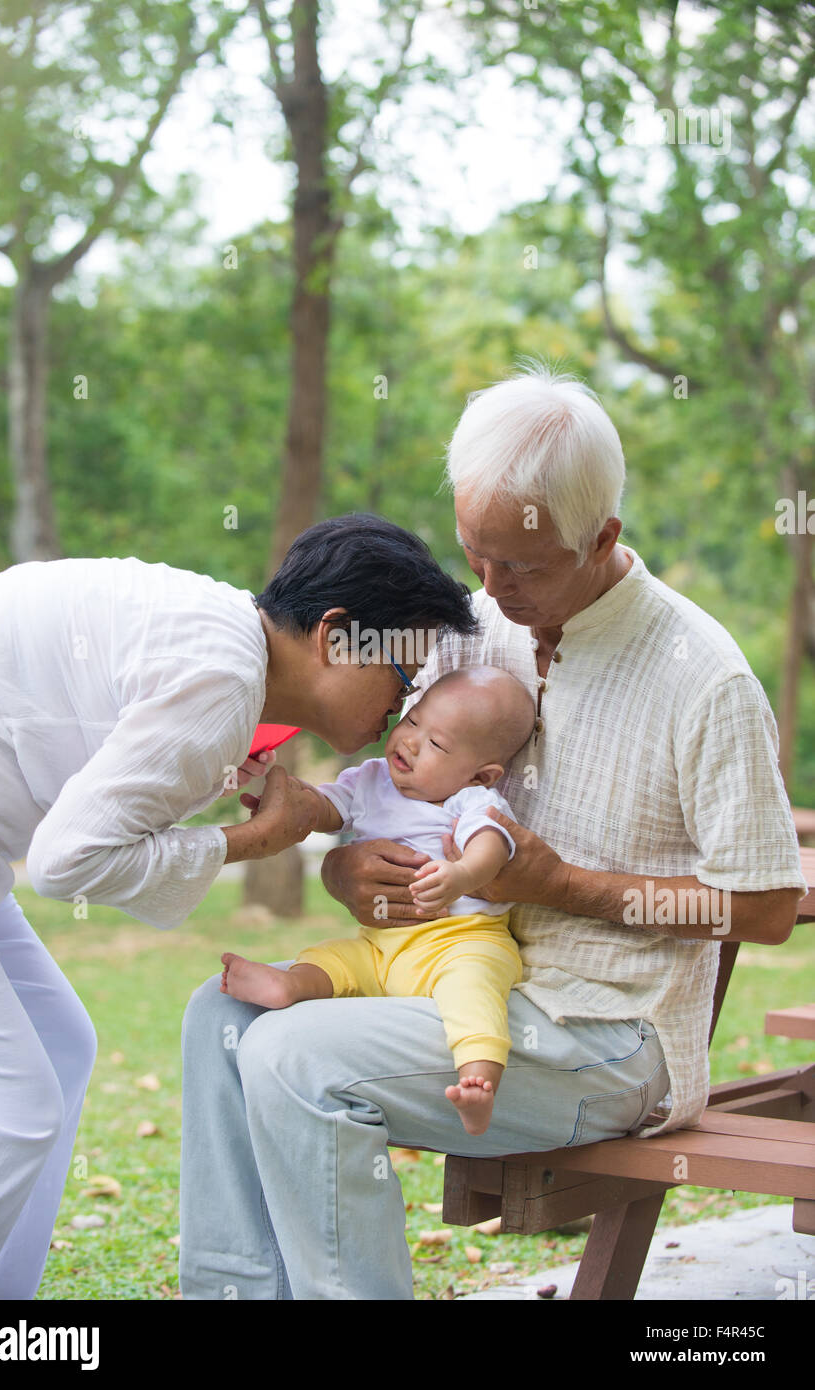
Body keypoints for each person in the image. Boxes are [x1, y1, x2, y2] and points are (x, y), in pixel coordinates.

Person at [179, 363, 808, 1301]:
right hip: (443, 987)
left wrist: (563, 888)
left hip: (604, 1034)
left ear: (603, 537)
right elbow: (377, 790)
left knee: (293, 1055)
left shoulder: (701, 680)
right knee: (221, 1019)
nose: (490, 586)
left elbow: (763, 909)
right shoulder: (470, 631)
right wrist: (345, 870)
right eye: (475, 554)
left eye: (520, 564)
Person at [0, 513, 477, 1298]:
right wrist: (248, 843)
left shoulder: (224, 639)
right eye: (400, 679)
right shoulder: (223, 680)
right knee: (10, 1115)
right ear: (336, 636)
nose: (400, 711)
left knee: (62, 1049)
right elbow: (66, 863)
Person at [220, 666, 536, 1135]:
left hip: (459, 942)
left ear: (479, 774)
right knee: (335, 960)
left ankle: (478, 1077)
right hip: (380, 946)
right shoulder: (371, 780)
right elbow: (327, 807)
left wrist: (461, 874)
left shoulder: (469, 803)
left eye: (437, 745)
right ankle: (290, 987)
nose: (409, 742)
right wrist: (287, 806)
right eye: (412, 722)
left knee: (473, 989)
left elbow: (492, 844)